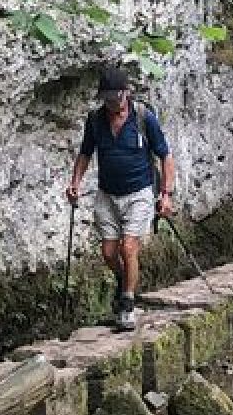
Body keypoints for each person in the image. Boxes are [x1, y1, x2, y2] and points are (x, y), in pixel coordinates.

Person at [66, 68, 176, 331]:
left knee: (129, 248)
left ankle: (127, 303)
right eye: (106, 99)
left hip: (138, 193)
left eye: (115, 98)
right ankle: (125, 280)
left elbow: (165, 155)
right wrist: (75, 183)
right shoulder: (95, 120)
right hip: (107, 193)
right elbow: (85, 154)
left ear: (126, 93)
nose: (111, 104)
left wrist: (166, 193)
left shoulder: (143, 118)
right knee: (108, 252)